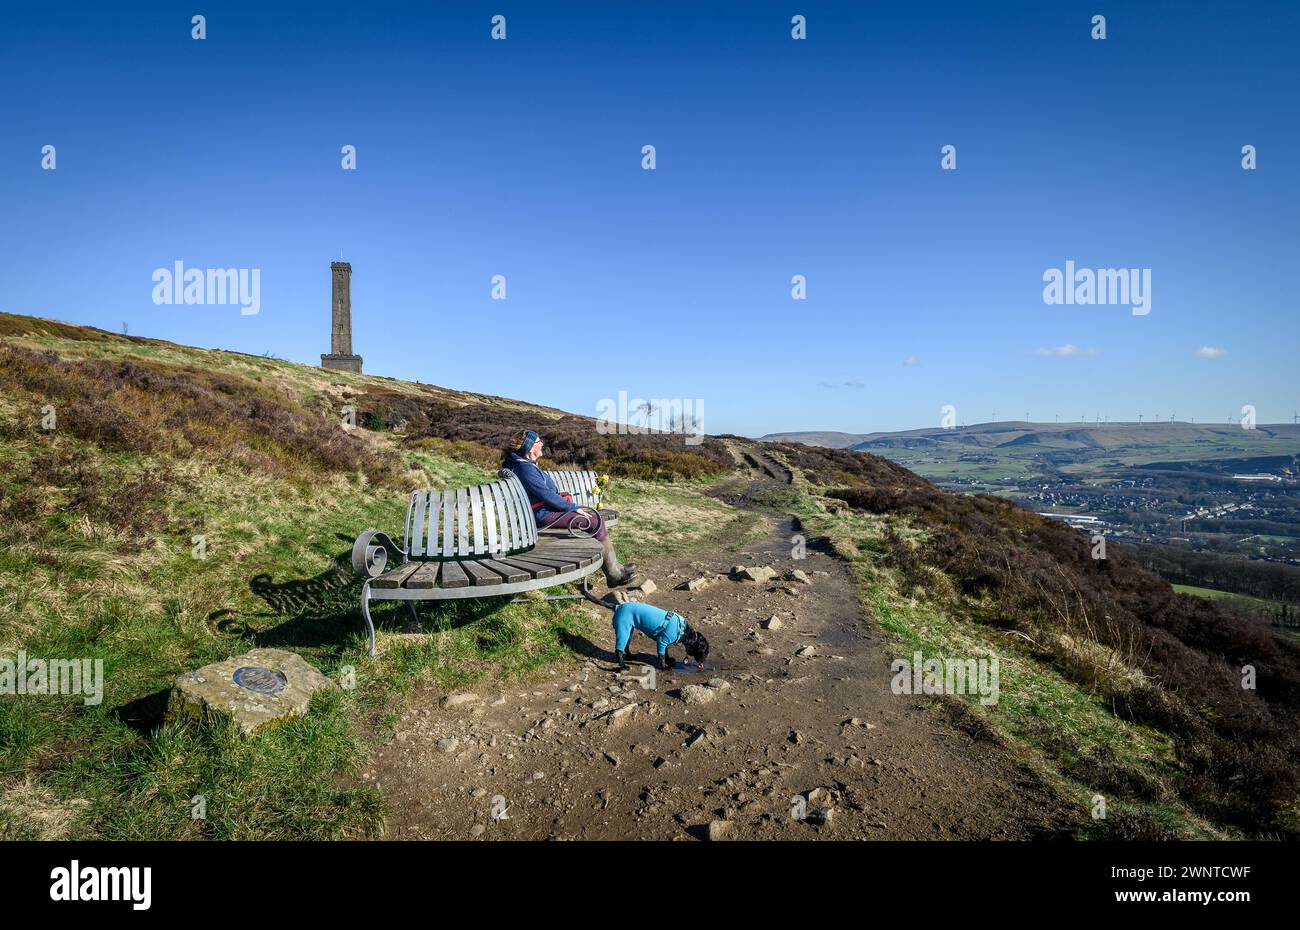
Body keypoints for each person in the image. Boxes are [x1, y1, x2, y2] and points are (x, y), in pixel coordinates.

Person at [502, 429, 642, 587]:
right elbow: (546, 495)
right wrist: (572, 507)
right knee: (595, 522)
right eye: (538, 442)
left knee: (594, 519)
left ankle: (617, 567)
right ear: (530, 448)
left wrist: (564, 500)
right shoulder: (526, 469)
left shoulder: (525, 466)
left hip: (543, 511)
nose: (541, 444)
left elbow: (544, 493)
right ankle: (613, 575)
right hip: (543, 516)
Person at [611, 601, 709, 671]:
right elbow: (661, 642)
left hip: (630, 608)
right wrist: (662, 663)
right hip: (626, 613)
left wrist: (667, 658)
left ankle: (627, 654)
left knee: (628, 635)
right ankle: (620, 661)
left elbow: (664, 639)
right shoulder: (676, 633)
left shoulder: (683, 625)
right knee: (624, 636)